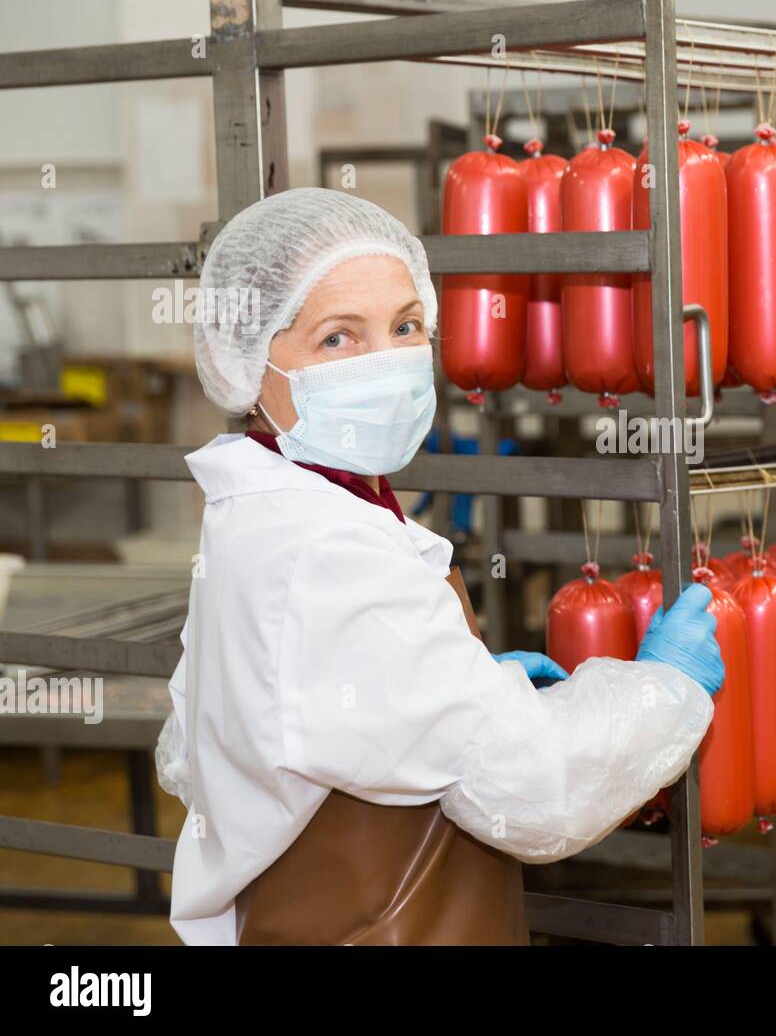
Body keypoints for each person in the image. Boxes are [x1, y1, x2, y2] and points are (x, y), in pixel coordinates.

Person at [155, 187, 722, 945]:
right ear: (247, 364)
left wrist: (450, 693)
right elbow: (538, 793)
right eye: (337, 339)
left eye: (406, 325)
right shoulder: (328, 552)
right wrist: (666, 688)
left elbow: (195, 748)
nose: (385, 361)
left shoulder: (264, 513)